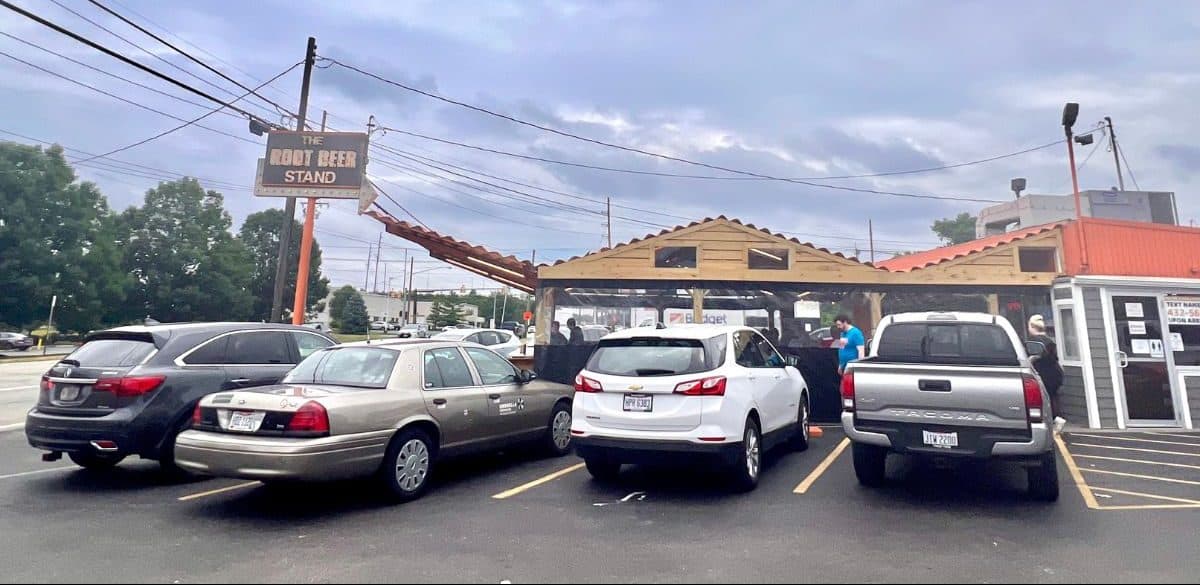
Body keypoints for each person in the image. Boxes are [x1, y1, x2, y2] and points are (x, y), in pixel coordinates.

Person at [1028, 315, 1066, 433]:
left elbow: (1032, 358)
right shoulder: (1049, 340)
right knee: (1053, 396)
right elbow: (1054, 357)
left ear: (1032, 327)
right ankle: (1057, 418)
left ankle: (1051, 420)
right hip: (1055, 373)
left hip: (1043, 374)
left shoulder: (1033, 341)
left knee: (1042, 399)